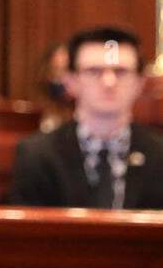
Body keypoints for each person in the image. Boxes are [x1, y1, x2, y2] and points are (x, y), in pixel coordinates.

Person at [10, 26, 163, 209]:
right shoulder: (36, 155)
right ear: (70, 80)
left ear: (140, 82)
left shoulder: (159, 154)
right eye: (94, 71)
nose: (109, 82)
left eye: (120, 71)